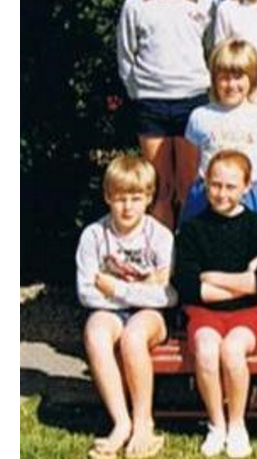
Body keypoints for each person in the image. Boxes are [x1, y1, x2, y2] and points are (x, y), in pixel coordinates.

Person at [171, 151, 257, 459]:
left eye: (231, 186)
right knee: (207, 349)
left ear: (246, 187)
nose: (222, 193)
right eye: (215, 185)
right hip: (204, 314)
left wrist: (213, 277)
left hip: (249, 315)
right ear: (205, 184)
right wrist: (244, 280)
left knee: (232, 350)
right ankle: (216, 424)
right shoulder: (192, 229)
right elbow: (190, 288)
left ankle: (237, 425)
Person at [77, 155, 176, 459]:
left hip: (151, 317)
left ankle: (143, 420)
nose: (127, 206)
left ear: (148, 198)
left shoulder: (160, 236)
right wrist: (142, 288)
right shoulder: (94, 235)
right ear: (108, 196)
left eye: (135, 198)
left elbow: (168, 297)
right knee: (95, 332)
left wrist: (117, 287)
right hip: (109, 310)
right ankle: (121, 421)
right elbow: (86, 292)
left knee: (134, 336)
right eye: (120, 198)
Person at [117, 0, 213, 229]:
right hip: (152, 103)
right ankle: (163, 263)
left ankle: (186, 262)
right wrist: (138, 90)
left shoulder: (205, 4)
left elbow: (212, 50)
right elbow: (126, 53)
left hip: (193, 101)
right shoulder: (136, 5)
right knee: (158, 188)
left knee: (188, 186)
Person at [180, 39, 257, 232]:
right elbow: (190, 168)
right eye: (224, 77)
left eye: (239, 77)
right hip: (210, 195)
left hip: (254, 195)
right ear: (214, 79)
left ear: (251, 79)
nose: (231, 84)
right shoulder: (200, 116)